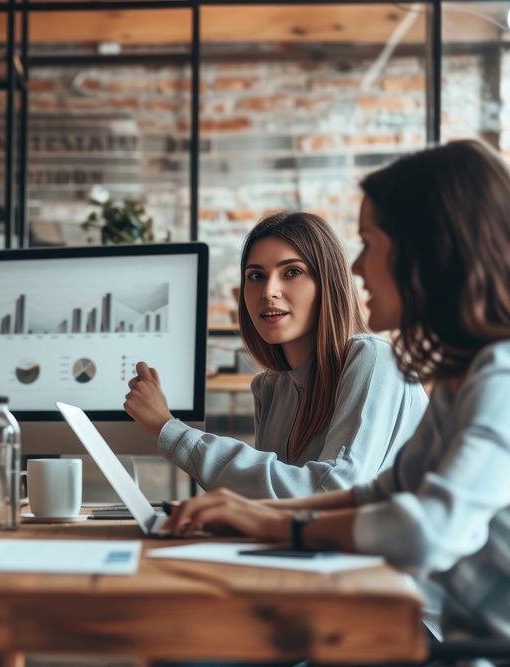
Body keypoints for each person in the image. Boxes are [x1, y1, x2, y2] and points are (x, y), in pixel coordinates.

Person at [165, 139, 510, 650]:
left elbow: (427, 530)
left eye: (370, 242)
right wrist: (248, 512)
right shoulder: (463, 379)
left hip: (444, 640)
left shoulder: (499, 378)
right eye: (255, 277)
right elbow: (381, 492)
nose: (356, 268)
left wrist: (284, 527)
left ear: (427, 250)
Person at [124, 211, 427, 499]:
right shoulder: (272, 388)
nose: (269, 290)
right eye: (256, 276)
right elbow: (273, 504)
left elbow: (331, 491)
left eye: (292, 272)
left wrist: (171, 430)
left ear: (328, 283)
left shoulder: (374, 359)